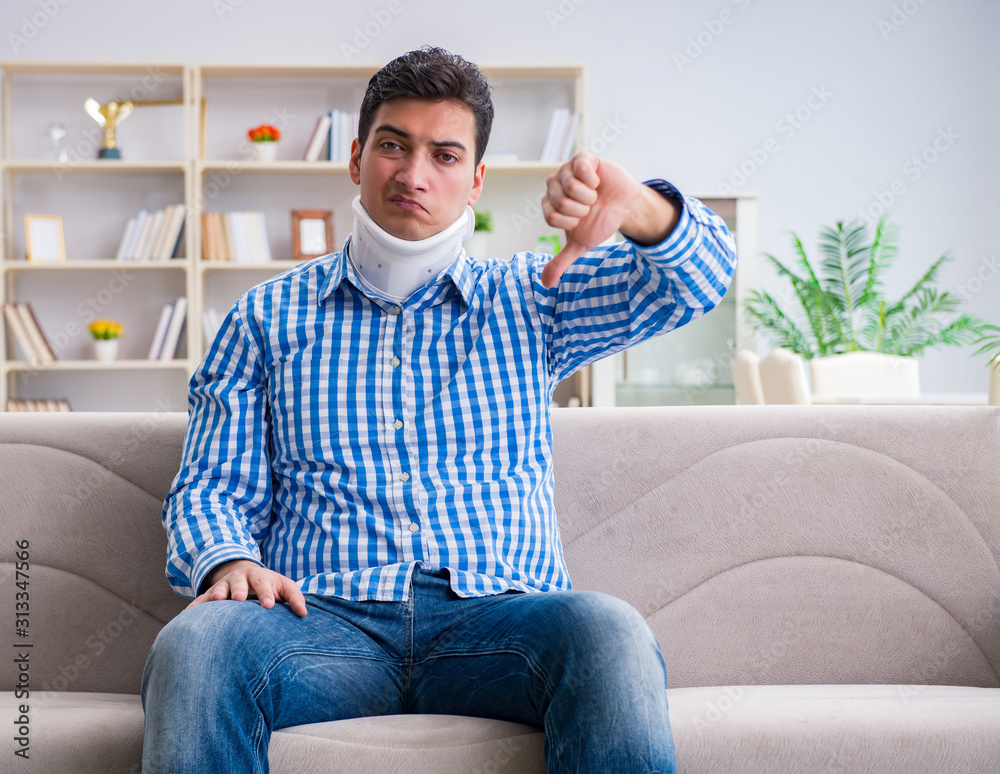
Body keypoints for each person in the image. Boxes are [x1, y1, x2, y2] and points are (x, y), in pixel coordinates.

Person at [142, 46, 736, 773]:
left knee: (609, 631)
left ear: (477, 180)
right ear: (357, 158)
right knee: (196, 643)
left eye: (445, 155)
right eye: (394, 145)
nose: (414, 174)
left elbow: (700, 281)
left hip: (499, 626)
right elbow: (210, 487)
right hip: (322, 625)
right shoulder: (264, 319)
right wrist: (228, 559)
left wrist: (639, 204)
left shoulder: (532, 299)